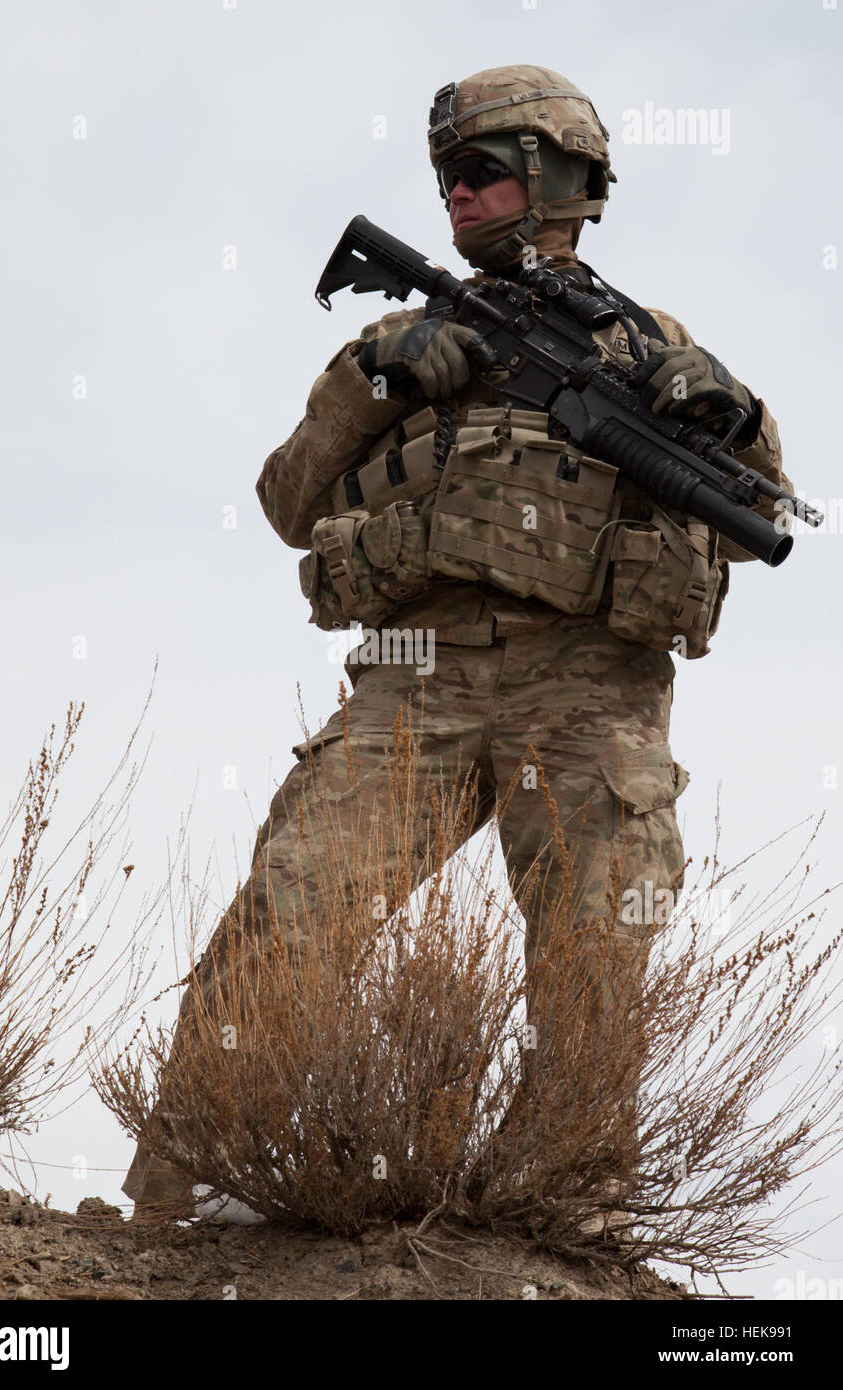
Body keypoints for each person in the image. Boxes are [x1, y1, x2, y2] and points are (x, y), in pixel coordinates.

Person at [122, 64, 791, 1219]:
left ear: (558, 179)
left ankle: (564, 1208)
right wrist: (379, 382)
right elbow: (290, 501)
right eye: (445, 177)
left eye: (480, 172)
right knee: (297, 903)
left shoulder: (656, 347)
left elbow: (757, 515)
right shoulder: (405, 333)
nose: (455, 196)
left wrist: (731, 407)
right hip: (410, 671)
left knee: (599, 938)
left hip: (590, 683)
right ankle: (181, 1195)